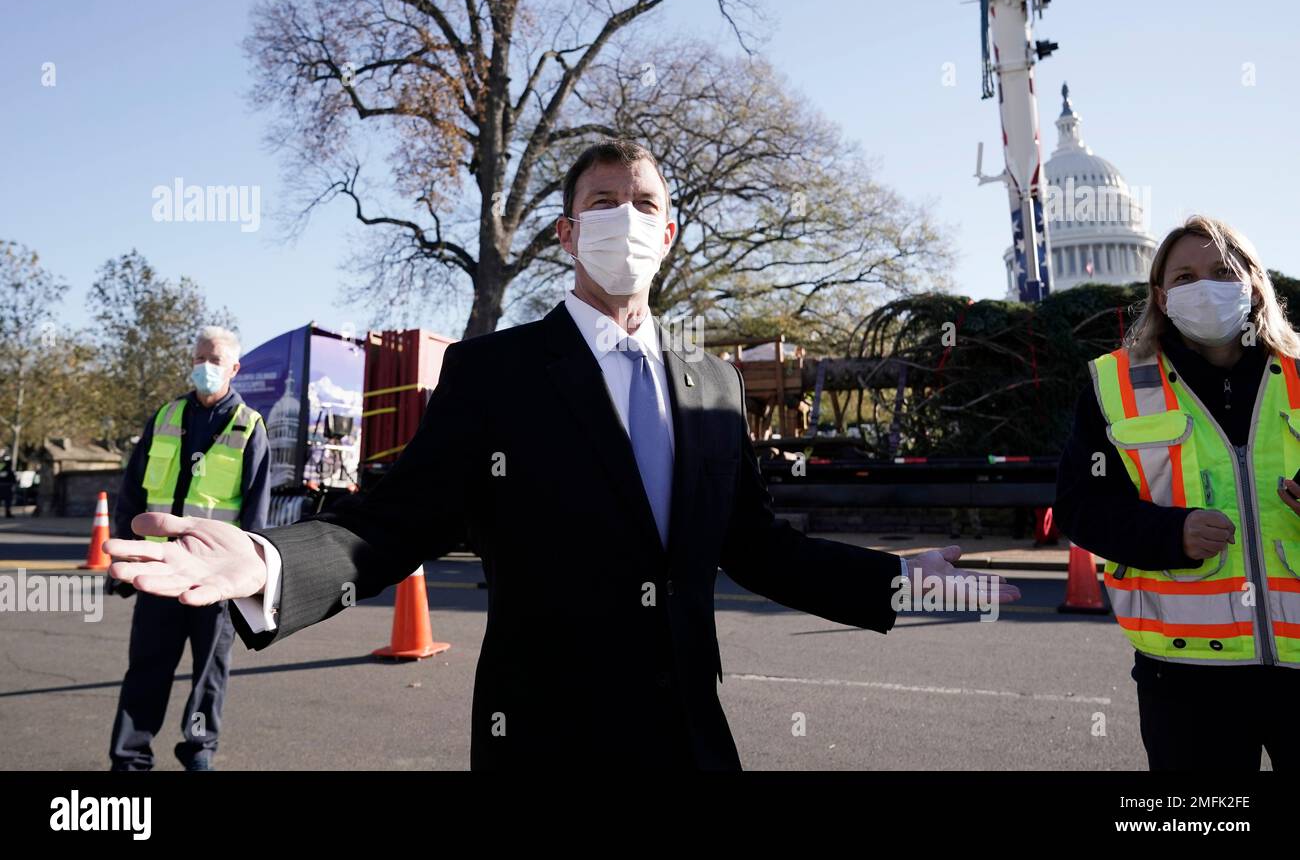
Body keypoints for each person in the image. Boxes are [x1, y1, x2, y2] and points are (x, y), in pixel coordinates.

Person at [107, 139, 1018, 770]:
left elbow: (754, 544)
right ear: (565, 235)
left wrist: (892, 583)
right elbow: (391, 524)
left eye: (647, 205)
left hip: (693, 744)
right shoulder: (495, 373)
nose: (627, 217)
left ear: (670, 235)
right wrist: (267, 557)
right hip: (543, 744)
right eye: (602, 203)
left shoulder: (714, 387)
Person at [1055, 214, 1300, 770]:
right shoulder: (1113, 384)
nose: (1205, 286)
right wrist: (1171, 534)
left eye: (1221, 271)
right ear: (1162, 298)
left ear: (1253, 283)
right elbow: (1079, 508)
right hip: (1186, 676)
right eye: (1185, 277)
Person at [107, 326, 270, 770]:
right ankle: (128, 759)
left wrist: (248, 588)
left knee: (208, 677)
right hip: (159, 572)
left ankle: (198, 754)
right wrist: (125, 557)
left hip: (214, 584)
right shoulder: (165, 417)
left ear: (234, 368)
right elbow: (132, 496)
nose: (205, 367)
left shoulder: (250, 427)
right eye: (200, 358)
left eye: (215, 360)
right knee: (146, 671)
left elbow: (257, 518)